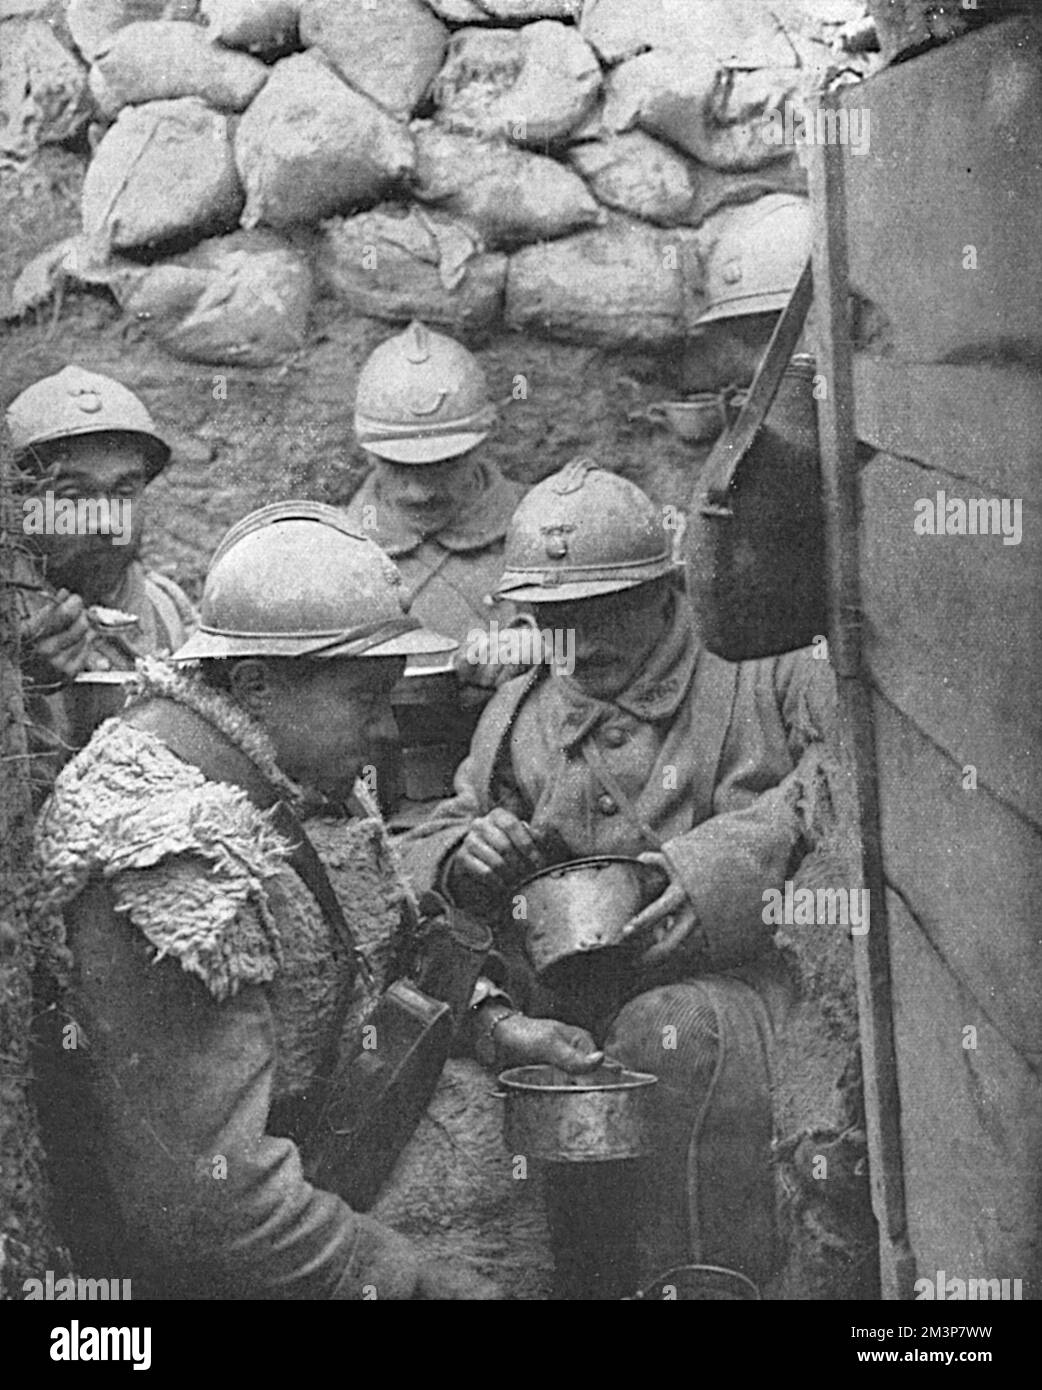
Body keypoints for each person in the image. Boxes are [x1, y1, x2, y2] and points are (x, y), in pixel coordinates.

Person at [32, 501, 497, 1300]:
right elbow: (211, 1210)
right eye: (365, 698)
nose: (388, 730)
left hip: (323, 1164)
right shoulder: (175, 855)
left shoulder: (289, 769)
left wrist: (490, 1022)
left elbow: (369, 956)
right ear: (254, 684)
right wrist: (417, 1284)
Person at [402, 458, 836, 1296]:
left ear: (668, 589)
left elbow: (841, 778)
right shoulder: (522, 710)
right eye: (554, 617)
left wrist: (716, 874)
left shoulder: (763, 666)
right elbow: (439, 831)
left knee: (671, 1036)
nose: (581, 641)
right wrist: (467, 855)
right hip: (573, 998)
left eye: (607, 611)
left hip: (748, 983)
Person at [343, 320, 527, 817]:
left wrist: (540, 652)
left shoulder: (544, 531)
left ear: (482, 442)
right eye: (399, 466)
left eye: (442, 465)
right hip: (380, 798)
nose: (420, 491)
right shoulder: (337, 551)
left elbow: (608, 656)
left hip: (519, 790)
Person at [6, 365, 196, 804]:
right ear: (16, 506)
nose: (109, 522)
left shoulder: (167, 610)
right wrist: (18, 689)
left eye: (124, 491)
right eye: (71, 498)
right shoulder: (8, 620)